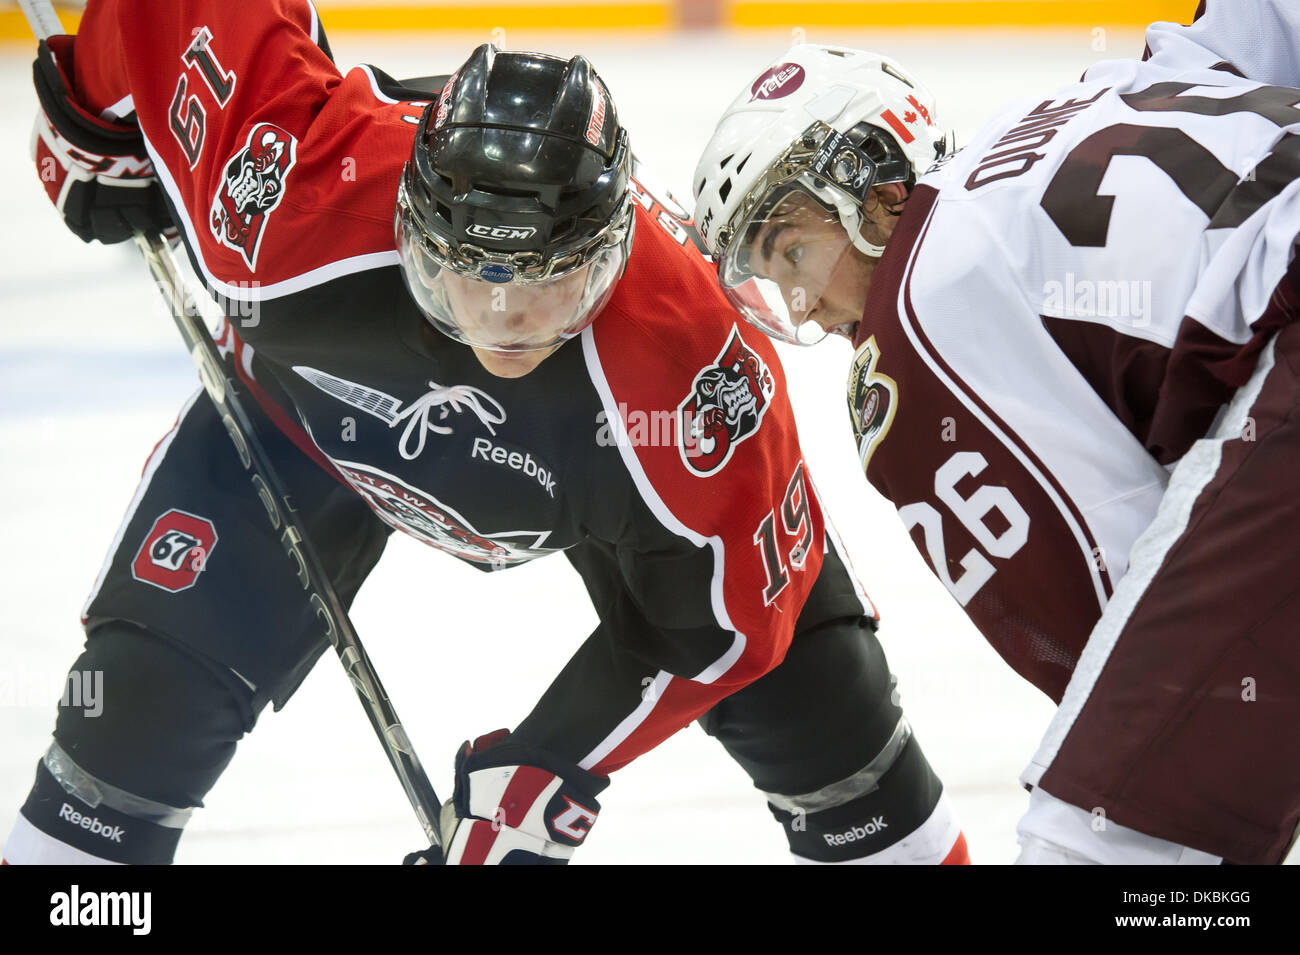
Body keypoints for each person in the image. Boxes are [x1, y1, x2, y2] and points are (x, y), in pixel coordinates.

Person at [4, 0, 968, 865]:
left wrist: (545, 779)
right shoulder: (285, 198)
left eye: (553, 280)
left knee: (831, 730)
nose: (509, 318)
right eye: (477, 273)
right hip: (308, 427)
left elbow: (733, 614)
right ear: (414, 232)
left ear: (610, 252)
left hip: (600, 478)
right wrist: (94, 107)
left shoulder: (687, 369)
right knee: (130, 723)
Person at [692, 0, 1300, 865]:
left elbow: (1121, 632)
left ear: (875, 190)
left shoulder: (916, 317)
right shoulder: (1098, 95)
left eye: (791, 252)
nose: (801, 306)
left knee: (1101, 835)